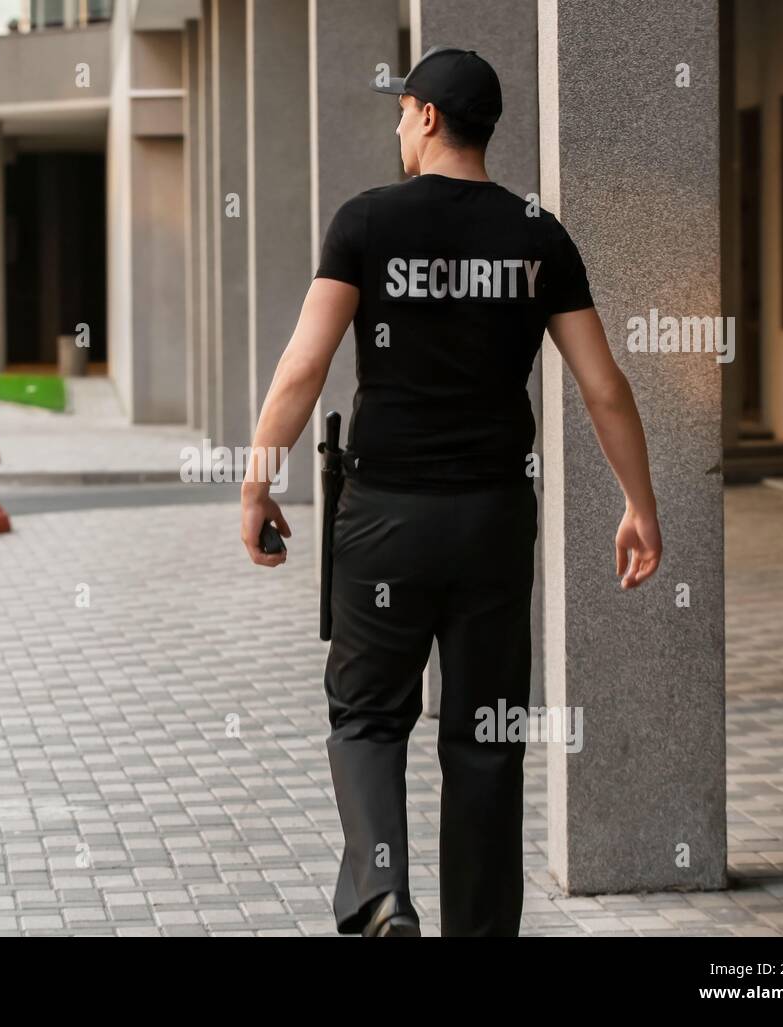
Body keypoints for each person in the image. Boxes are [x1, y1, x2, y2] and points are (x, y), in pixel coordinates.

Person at [238, 46, 662, 937]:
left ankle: (383, 891)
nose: (397, 124)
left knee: (366, 716)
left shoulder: (366, 222)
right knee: (485, 738)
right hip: (493, 523)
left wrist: (256, 480)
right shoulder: (538, 233)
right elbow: (604, 385)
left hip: (385, 516)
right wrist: (639, 505)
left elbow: (303, 367)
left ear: (428, 117)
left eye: (402, 111)